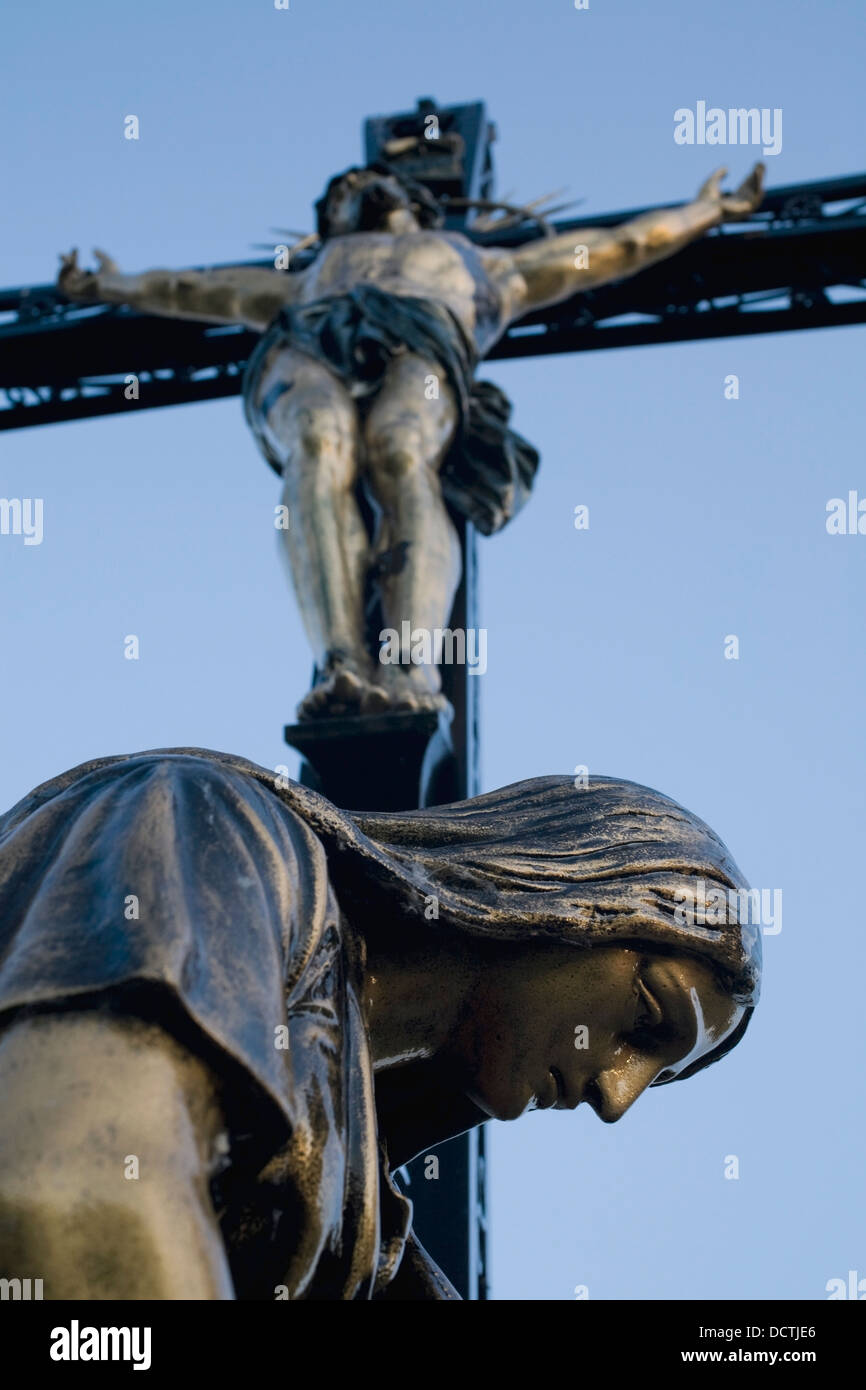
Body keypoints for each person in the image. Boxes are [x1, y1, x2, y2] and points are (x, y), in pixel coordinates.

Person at [0, 748, 760, 1299]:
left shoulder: (367, 1227)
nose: (617, 1097)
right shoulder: (209, 827)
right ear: (561, 891)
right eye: (647, 1020)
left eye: (656, 1079)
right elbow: (71, 1187)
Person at [56, 160, 765, 719]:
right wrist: (109, 285)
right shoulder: (306, 279)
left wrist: (705, 209)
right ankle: (340, 660)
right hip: (308, 344)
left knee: (399, 451)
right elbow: (191, 289)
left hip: (422, 344)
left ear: (415, 205)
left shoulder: (483, 266)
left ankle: (410, 667)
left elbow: (617, 247)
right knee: (316, 440)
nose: (357, 191)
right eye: (341, 193)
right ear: (326, 222)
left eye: (370, 184)